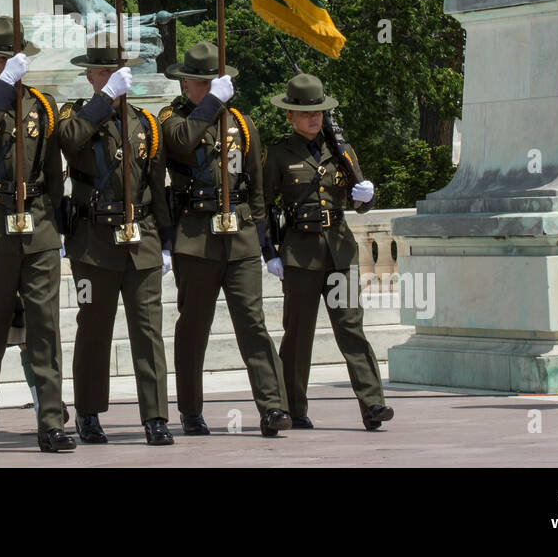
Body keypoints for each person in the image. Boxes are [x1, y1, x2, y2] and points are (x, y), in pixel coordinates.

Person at [160, 41, 291, 437]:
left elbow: (255, 188)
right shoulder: (171, 118)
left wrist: (264, 242)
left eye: (214, 81)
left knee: (253, 324)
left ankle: (272, 407)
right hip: (195, 238)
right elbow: (182, 142)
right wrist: (211, 104)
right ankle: (191, 410)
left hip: (241, 239)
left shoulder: (242, 123)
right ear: (186, 85)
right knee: (194, 327)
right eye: (200, 81)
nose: (208, 86)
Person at [0, 16, 73, 452]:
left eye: (11, 58)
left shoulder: (42, 105)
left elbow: (53, 171)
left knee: (44, 328)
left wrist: (57, 227)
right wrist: (4, 84)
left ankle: (51, 421)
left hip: (37, 226)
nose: (3, 63)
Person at [262, 73, 394, 431]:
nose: (314, 118)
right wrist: (269, 252)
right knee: (298, 333)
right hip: (300, 254)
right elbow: (261, 206)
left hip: (340, 252)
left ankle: (373, 404)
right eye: (306, 113)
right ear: (290, 116)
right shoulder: (277, 155)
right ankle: (293, 406)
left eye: (318, 111)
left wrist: (366, 197)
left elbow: (359, 199)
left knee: (352, 328)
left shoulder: (341, 149)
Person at [59, 41, 174, 447]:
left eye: (114, 74)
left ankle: (156, 417)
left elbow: (155, 185)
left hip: (140, 238)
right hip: (92, 242)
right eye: (101, 74)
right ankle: (88, 413)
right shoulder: (76, 113)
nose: (108, 79)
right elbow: (68, 140)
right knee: (93, 329)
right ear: (90, 76)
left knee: (148, 332)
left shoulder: (145, 123)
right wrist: (105, 99)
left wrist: (166, 241)